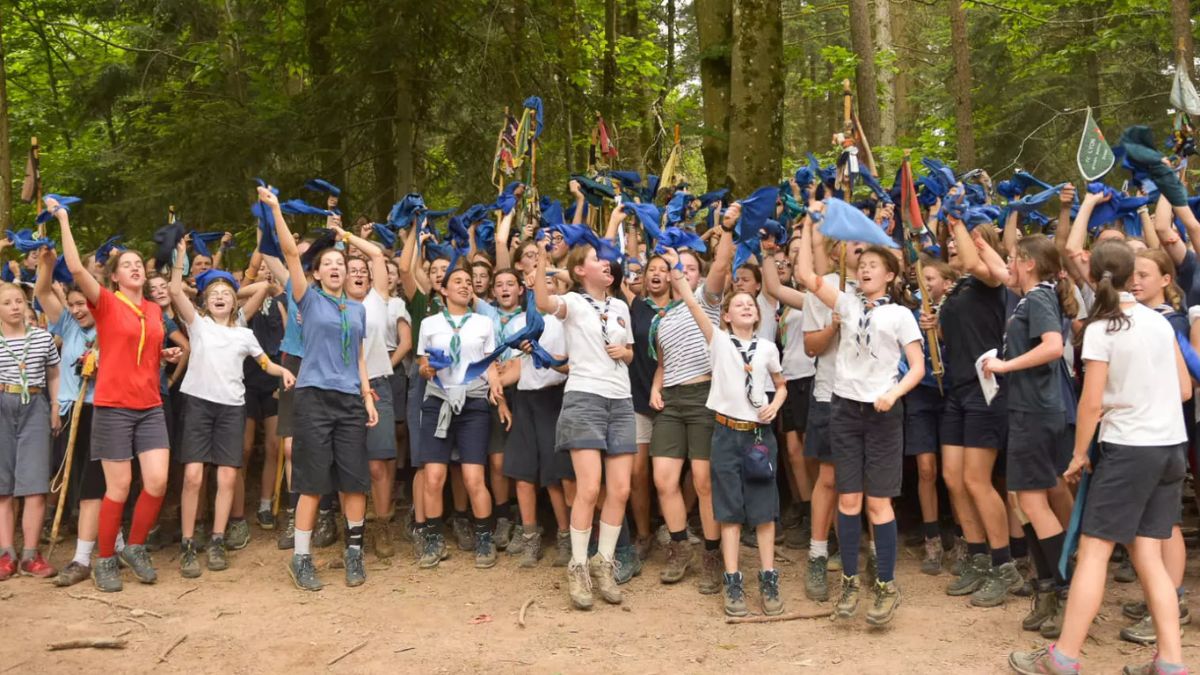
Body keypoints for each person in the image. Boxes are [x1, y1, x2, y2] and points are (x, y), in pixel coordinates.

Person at [1009, 240, 1190, 675]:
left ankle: (1064, 657)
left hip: (1129, 450)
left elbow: (1089, 404)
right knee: (1148, 553)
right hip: (1170, 448)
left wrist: (1077, 455)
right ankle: (1170, 662)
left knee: (1093, 551)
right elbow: (1184, 389)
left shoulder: (1101, 329)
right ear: (1132, 277)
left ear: (1094, 278)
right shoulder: (1159, 323)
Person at [795, 202, 925, 627]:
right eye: (862, 264)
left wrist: (893, 393)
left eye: (874, 265)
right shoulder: (848, 306)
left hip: (884, 411)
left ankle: (885, 584)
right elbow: (805, 278)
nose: (866, 269)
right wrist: (808, 223)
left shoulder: (900, 314)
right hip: (844, 409)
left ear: (889, 274)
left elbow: (919, 367)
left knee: (878, 503)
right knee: (847, 500)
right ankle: (850, 580)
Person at [53, 196, 181, 592]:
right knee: (119, 487)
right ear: (113, 276)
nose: (136, 268)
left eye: (139, 264)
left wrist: (164, 353)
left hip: (150, 405)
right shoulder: (106, 303)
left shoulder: (155, 312)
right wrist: (63, 219)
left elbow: (141, 347)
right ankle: (105, 557)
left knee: (157, 481)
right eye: (127, 265)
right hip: (113, 407)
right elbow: (75, 267)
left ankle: (135, 546)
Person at [261, 186, 378, 591]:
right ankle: (302, 558)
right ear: (317, 272)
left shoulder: (358, 308)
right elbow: (291, 254)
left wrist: (366, 395)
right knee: (311, 480)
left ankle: (354, 553)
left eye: (340, 264)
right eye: (328, 263)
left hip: (349, 400)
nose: (335, 268)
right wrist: (276, 209)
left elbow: (359, 357)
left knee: (353, 479)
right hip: (312, 397)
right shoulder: (307, 299)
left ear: (347, 273)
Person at [665, 245, 788, 617]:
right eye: (738, 304)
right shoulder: (718, 342)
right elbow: (691, 302)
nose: (746, 306)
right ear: (727, 316)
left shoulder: (767, 347)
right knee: (730, 512)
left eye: (751, 303)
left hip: (759, 437)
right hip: (725, 435)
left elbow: (782, 385)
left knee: (764, 512)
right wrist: (678, 273)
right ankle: (733, 579)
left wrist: (776, 404)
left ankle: (768, 576)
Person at [168, 237, 295, 577]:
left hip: (231, 408)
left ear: (234, 300)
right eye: (214, 293)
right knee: (194, 475)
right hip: (198, 405)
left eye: (227, 292)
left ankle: (218, 539)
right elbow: (176, 291)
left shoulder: (243, 333)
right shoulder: (198, 325)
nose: (221, 296)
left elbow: (264, 362)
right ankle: (187, 543)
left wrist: (282, 370)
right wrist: (181, 256)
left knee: (227, 476)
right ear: (205, 302)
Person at [533, 218, 636, 611]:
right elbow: (544, 303)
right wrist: (542, 262)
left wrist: (624, 353)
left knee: (621, 489)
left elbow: (627, 349)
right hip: (585, 398)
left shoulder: (622, 306)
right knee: (589, 488)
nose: (607, 263)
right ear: (580, 270)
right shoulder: (573, 303)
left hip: (620, 400)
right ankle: (577, 565)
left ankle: (603, 562)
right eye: (598, 258)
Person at [983, 234, 1078, 637]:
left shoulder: (1039, 296)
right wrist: (972, 234)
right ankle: (1045, 588)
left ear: (1028, 263)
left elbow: (1054, 347)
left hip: (1038, 412)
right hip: (1027, 411)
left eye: (1012, 259)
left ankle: (1064, 590)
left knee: (1034, 504)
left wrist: (1004, 367)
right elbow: (997, 272)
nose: (1008, 265)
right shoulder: (1030, 295)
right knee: (1025, 502)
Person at [934, 219, 1020, 608]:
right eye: (950, 242)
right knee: (953, 478)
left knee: (977, 480)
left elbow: (972, 263)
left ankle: (1005, 565)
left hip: (986, 390)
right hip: (956, 388)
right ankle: (978, 555)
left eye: (962, 242)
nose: (954, 247)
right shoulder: (958, 289)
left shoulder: (992, 282)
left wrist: (957, 224)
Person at [646, 224, 733, 594]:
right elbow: (663, 362)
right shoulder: (660, 318)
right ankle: (680, 547)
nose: (679, 272)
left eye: (688, 267)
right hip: (671, 402)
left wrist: (726, 228)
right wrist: (655, 388)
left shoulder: (708, 301)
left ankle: (713, 555)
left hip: (703, 397)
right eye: (673, 267)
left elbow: (724, 260)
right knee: (664, 480)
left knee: (703, 482)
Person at [415, 262, 505, 569]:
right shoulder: (429, 324)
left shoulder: (483, 323)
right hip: (438, 401)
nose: (465, 285)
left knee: (473, 477)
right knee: (434, 476)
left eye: (469, 281)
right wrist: (431, 369)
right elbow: (422, 367)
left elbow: (491, 364)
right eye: (458, 281)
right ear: (443, 289)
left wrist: (496, 386)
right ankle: (433, 539)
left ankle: (483, 538)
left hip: (473, 403)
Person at [33, 251, 114, 587]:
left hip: (102, 410)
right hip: (70, 411)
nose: (80, 310)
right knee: (76, 477)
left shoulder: (111, 326)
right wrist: (48, 265)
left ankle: (85, 556)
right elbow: (41, 292)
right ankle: (110, 543)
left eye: (85, 304)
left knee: (96, 482)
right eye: (75, 304)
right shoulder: (65, 322)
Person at [338, 223, 402, 560]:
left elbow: (377, 253)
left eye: (363, 270)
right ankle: (351, 528)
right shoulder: (332, 305)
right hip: (344, 389)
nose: (359, 273)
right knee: (347, 462)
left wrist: (347, 237)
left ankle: (382, 524)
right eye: (352, 270)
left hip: (377, 384)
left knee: (378, 466)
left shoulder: (378, 300)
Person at [0, 280, 61, 579]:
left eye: (18, 301)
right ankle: (6, 553)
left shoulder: (41, 338)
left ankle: (30, 555)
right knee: (3, 487)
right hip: (2, 404)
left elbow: (54, 373)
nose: (14, 307)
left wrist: (54, 408)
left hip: (35, 405)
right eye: (7, 302)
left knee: (35, 484)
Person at [906, 258, 954, 575]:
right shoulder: (911, 316)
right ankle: (932, 538)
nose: (925, 284)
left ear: (947, 282)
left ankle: (964, 538)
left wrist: (942, 329)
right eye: (921, 279)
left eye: (931, 278)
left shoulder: (956, 309)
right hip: (921, 394)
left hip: (952, 393)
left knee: (954, 472)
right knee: (926, 469)